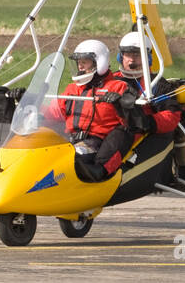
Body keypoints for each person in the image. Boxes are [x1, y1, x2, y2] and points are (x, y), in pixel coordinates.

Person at [46, 39, 137, 182]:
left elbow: (131, 123)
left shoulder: (118, 87)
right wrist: (28, 105)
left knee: (73, 158)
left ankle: (99, 171)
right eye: (79, 62)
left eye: (85, 62)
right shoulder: (72, 89)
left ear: (98, 63)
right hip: (71, 139)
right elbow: (53, 113)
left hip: (98, 142)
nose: (80, 66)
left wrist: (119, 104)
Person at [116, 30, 182, 137]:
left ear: (148, 58)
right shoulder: (112, 80)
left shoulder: (156, 83)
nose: (132, 60)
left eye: (137, 55)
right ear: (121, 57)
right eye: (128, 55)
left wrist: (146, 122)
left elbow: (172, 114)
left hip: (144, 135)